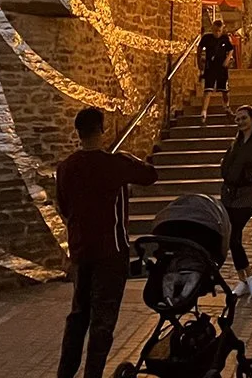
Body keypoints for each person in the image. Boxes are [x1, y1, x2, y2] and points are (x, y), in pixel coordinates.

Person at [55, 107, 158, 378]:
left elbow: (64, 208)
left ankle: (65, 373)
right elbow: (150, 174)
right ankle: (93, 374)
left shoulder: (66, 168)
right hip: (110, 253)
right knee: (103, 319)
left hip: (80, 251)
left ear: (78, 133)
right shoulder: (114, 164)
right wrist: (128, 159)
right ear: (101, 130)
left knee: (78, 315)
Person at [220, 105, 252, 300]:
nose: (240, 122)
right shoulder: (236, 143)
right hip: (229, 194)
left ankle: (250, 275)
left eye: (243, 118)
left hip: (245, 196)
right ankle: (243, 280)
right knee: (233, 239)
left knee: (234, 236)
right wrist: (226, 173)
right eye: (238, 119)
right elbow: (226, 163)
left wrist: (246, 177)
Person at [197, 18, 235, 124]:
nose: (217, 33)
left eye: (219, 31)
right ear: (212, 29)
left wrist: (227, 60)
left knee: (224, 90)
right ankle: (204, 111)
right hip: (210, 66)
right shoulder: (206, 38)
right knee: (208, 89)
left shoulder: (225, 38)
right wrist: (199, 62)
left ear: (222, 30)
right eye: (215, 31)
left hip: (221, 67)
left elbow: (231, 49)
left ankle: (226, 106)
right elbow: (199, 49)